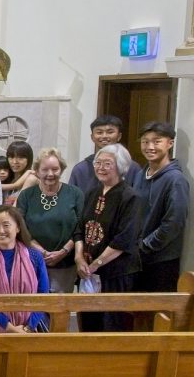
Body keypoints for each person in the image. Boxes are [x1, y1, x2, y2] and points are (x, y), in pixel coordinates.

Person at [75, 144, 142, 331]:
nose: (100, 168)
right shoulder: (92, 193)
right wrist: (78, 257)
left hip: (116, 273)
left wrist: (96, 264)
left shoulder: (130, 197)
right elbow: (79, 228)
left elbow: (124, 239)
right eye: (98, 163)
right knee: (88, 322)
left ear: (120, 167)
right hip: (88, 272)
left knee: (111, 324)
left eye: (107, 164)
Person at [0, 206, 50, 333]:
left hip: (32, 325)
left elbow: (43, 294)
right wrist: (9, 327)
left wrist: (28, 327)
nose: (0, 230)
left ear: (18, 228)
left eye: (6, 225)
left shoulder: (34, 256)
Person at [16, 148, 83, 294]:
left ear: (62, 169)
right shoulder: (26, 196)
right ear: (37, 171)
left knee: (59, 310)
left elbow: (81, 227)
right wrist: (41, 251)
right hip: (32, 261)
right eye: (45, 169)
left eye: (55, 169)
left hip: (65, 264)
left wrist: (64, 251)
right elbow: (20, 227)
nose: (50, 174)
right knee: (33, 309)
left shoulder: (75, 194)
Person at [133, 121, 189, 293]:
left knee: (156, 315)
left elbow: (173, 223)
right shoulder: (140, 174)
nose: (150, 146)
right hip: (137, 259)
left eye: (156, 141)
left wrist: (145, 246)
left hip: (161, 262)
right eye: (145, 141)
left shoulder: (175, 179)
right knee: (134, 314)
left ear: (169, 143)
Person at [69, 115, 142, 193]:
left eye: (110, 132)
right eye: (99, 132)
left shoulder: (133, 168)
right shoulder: (80, 169)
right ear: (92, 137)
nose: (104, 136)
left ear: (119, 136)